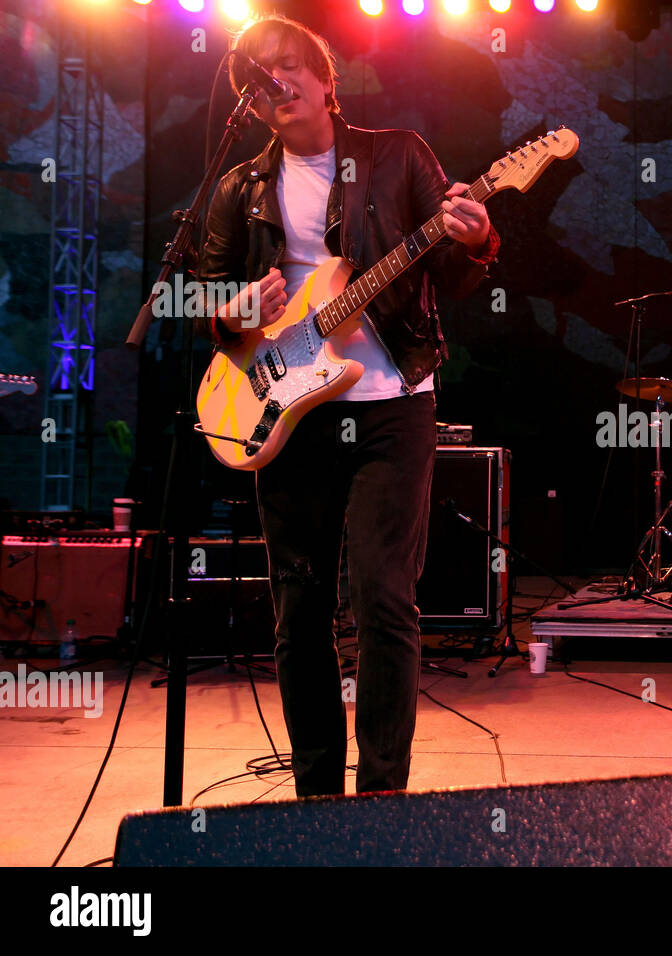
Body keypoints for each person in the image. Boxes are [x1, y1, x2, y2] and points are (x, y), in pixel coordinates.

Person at [197, 15, 499, 796]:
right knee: (298, 609)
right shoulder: (240, 186)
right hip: (286, 409)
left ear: (327, 79)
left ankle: (383, 800)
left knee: (383, 599)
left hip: (391, 397)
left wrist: (477, 235)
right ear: (253, 103)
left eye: (291, 67)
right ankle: (316, 798)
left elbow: (459, 274)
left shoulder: (400, 154)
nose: (279, 83)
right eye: (260, 78)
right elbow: (200, 297)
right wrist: (234, 307)